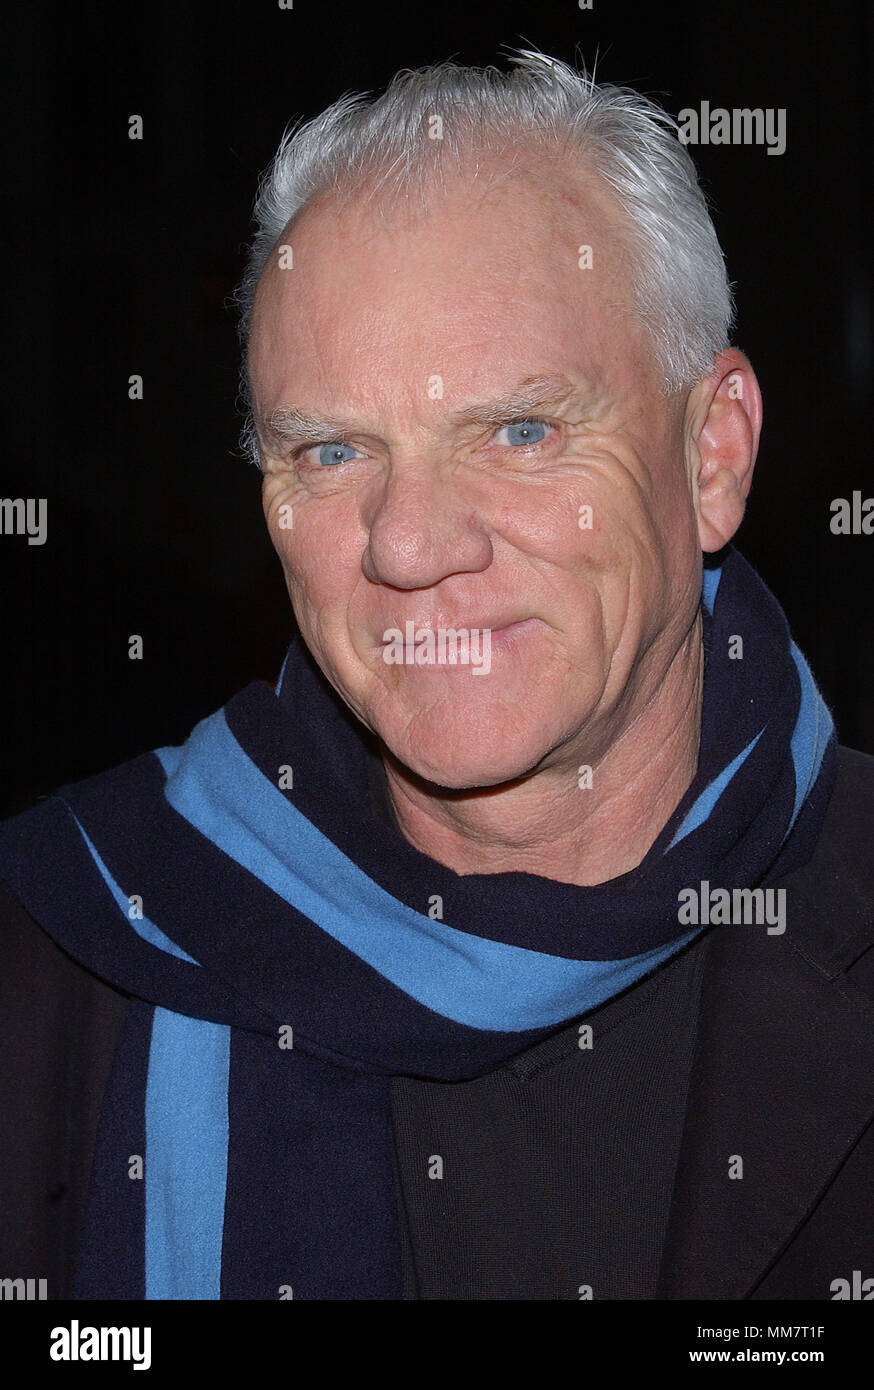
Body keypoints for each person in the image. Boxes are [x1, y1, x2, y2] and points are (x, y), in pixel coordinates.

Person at [1, 50, 873, 1302]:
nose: (408, 545)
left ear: (713, 453)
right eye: (332, 449)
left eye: (519, 431)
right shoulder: (66, 951)